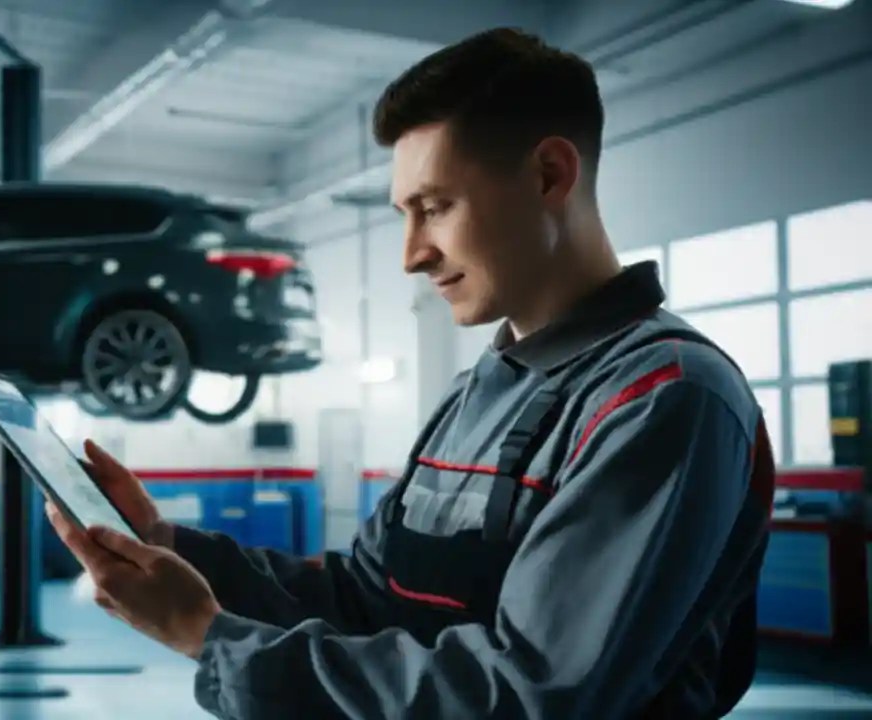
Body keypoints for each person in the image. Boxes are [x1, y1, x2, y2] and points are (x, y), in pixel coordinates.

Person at [46, 27, 776, 719]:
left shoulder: (665, 397)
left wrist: (212, 637)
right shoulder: (475, 395)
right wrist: (166, 545)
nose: (412, 254)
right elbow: (366, 596)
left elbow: (533, 697)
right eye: (404, 213)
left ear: (550, 174)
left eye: (434, 208)